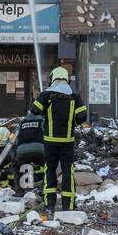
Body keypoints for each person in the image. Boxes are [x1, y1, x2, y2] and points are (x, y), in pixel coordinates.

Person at [31, 66, 87, 213]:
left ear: (53, 78)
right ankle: (68, 205)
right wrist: (72, 121)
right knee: (68, 171)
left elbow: (34, 110)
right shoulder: (74, 96)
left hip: (50, 141)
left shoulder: (47, 95)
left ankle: (49, 204)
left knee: (49, 170)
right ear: (67, 79)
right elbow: (82, 117)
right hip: (67, 141)